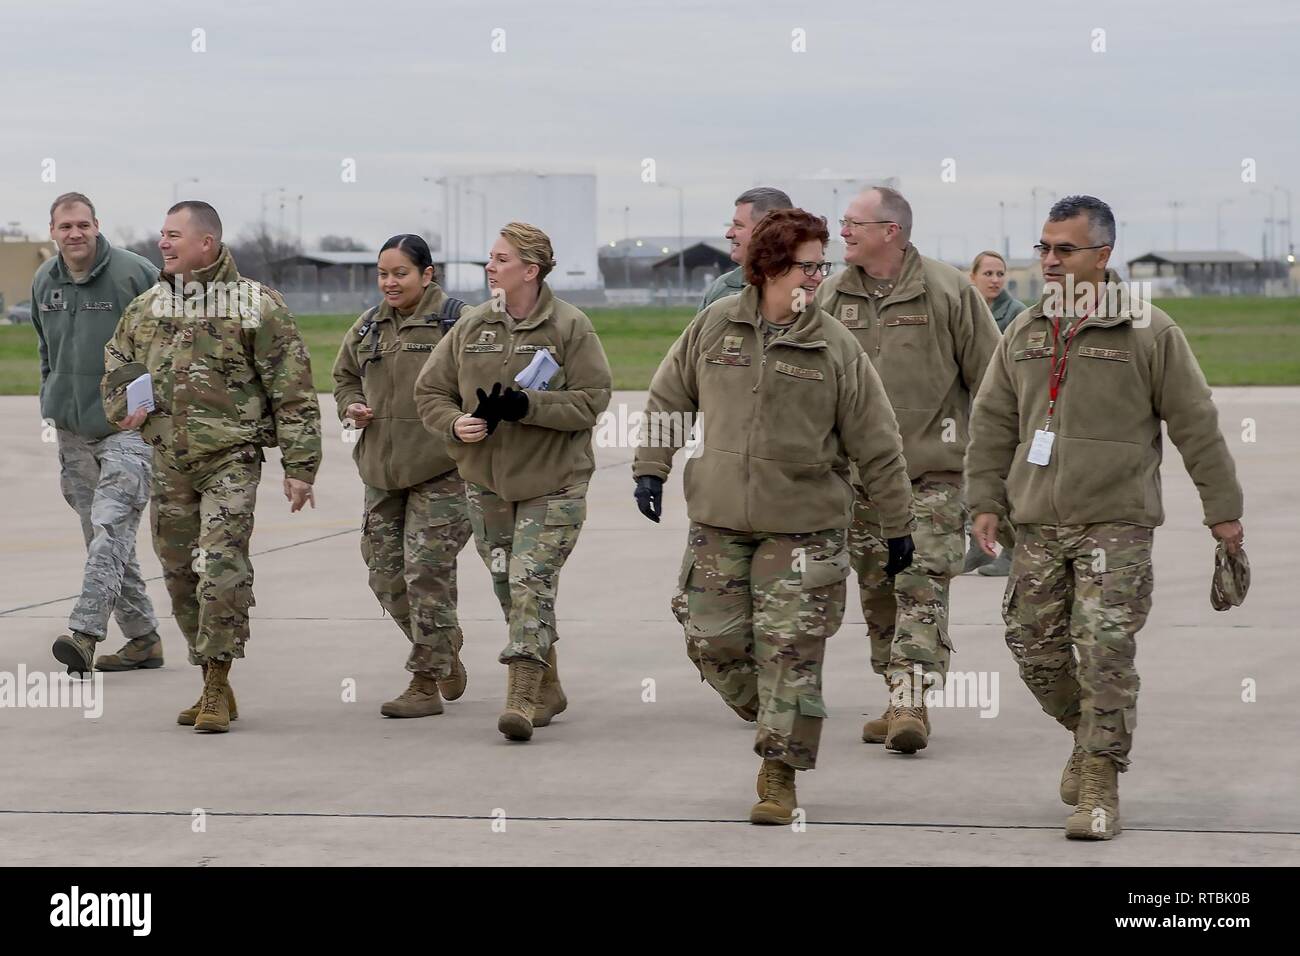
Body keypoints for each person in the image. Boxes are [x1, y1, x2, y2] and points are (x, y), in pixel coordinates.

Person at [966, 195, 1246, 840]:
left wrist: (1222, 514)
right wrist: (983, 500)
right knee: (1033, 648)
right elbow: (992, 421)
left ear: (1104, 254)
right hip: (1035, 521)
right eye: (1043, 248)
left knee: (1104, 650)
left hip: (1116, 523)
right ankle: (1090, 734)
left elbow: (1196, 426)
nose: (1051, 261)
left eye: (1065, 249)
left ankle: (1099, 778)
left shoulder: (1149, 331)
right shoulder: (1026, 329)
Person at [633, 209, 915, 824]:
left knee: (790, 651)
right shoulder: (714, 326)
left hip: (805, 529)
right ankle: (782, 714)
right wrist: (650, 465)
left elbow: (878, 441)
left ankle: (779, 775)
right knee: (711, 639)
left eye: (822, 265)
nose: (816, 277)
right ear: (767, 267)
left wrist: (898, 523)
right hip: (719, 519)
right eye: (805, 265)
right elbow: (668, 395)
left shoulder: (834, 344)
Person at [102, 200, 322, 733]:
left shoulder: (256, 306)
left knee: (219, 569)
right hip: (167, 463)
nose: (163, 243)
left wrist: (301, 466)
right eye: (161, 234)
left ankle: (219, 682)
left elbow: (292, 390)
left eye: (174, 235)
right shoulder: (146, 308)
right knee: (180, 577)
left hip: (231, 459)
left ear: (207, 243)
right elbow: (116, 363)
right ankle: (207, 675)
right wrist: (121, 407)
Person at [815, 187, 1000, 754]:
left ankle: (910, 698)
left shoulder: (948, 292)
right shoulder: (829, 294)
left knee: (919, 587)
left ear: (890, 231)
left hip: (931, 478)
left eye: (853, 223)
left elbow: (994, 385)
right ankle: (896, 687)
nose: (842, 232)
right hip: (859, 484)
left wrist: (995, 474)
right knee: (878, 596)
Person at [415, 222, 611, 742]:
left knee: (530, 580)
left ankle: (521, 696)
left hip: (555, 483)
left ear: (530, 270)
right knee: (509, 586)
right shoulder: (472, 325)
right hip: (487, 484)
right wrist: (455, 423)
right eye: (490, 258)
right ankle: (549, 683)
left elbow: (593, 398)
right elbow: (430, 391)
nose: (489, 267)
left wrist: (532, 406)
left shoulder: (571, 327)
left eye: (501, 259)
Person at [332, 235, 472, 718]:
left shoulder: (458, 322)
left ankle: (425, 680)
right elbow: (344, 376)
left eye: (401, 274)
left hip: (443, 470)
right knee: (385, 575)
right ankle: (442, 646)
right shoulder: (368, 326)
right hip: (380, 472)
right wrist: (350, 405)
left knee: (426, 573)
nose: (390, 283)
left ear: (427, 274)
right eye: (383, 274)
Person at [33, 192, 163, 674]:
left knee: (110, 527)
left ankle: (85, 632)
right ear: (53, 231)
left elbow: (170, 343)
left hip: (127, 429)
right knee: (102, 539)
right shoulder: (44, 280)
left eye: (83, 225)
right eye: (65, 226)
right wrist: (52, 398)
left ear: (96, 225)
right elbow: (46, 348)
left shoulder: (135, 273)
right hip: (72, 431)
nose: (75, 234)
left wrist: (149, 407)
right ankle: (144, 638)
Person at [962, 250, 1026, 577]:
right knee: (967, 485)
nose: (995, 280)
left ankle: (1012, 550)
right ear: (972, 277)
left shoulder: (1016, 315)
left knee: (1005, 485)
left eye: (1000, 274)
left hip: (1002, 411)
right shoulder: (965, 311)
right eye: (988, 273)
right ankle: (978, 548)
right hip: (969, 411)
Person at [698, 187, 793, 309]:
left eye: (738, 226)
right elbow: (699, 328)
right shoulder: (721, 286)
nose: (729, 234)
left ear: (768, 230)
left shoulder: (806, 287)